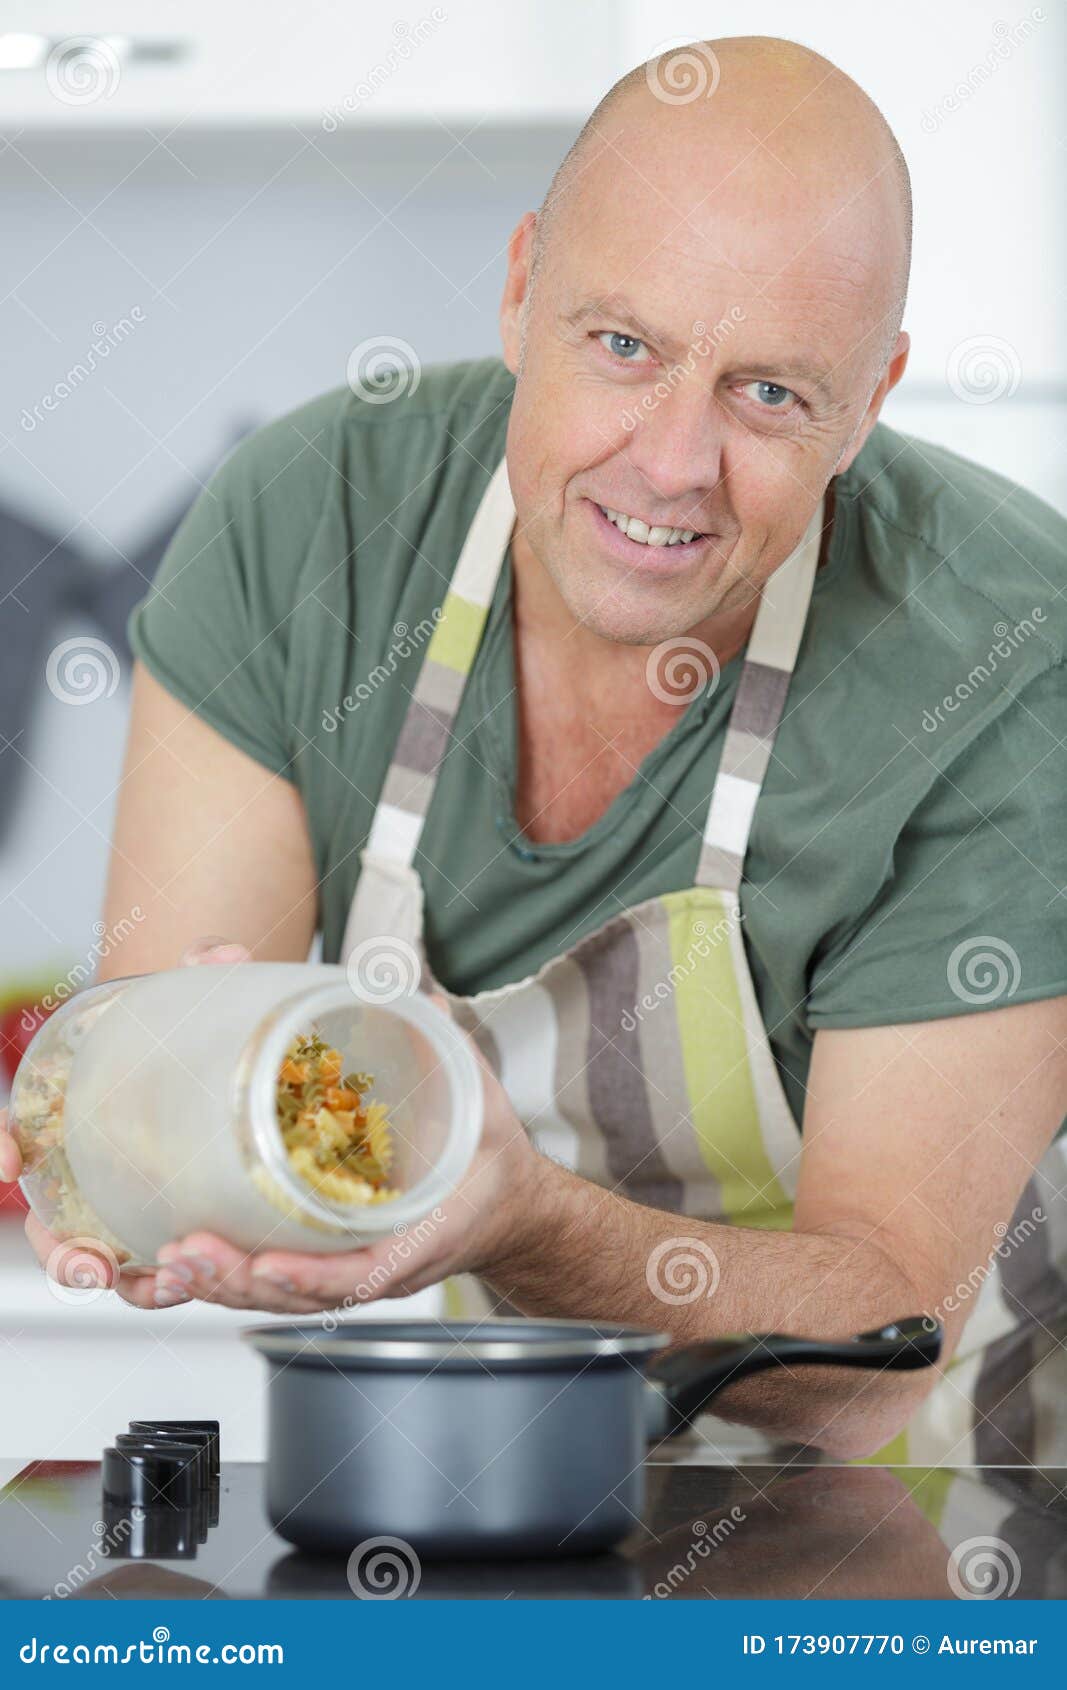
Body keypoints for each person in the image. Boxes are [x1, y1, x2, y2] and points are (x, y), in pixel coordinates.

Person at [3, 36, 1065, 1464]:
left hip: (946, 1519)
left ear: (872, 397)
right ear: (519, 292)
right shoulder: (309, 524)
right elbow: (184, 1079)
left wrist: (522, 1217)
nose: (674, 462)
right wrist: (129, 1143)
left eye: (771, 394)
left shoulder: (1007, 653)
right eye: (624, 347)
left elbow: (873, 1354)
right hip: (515, 1486)